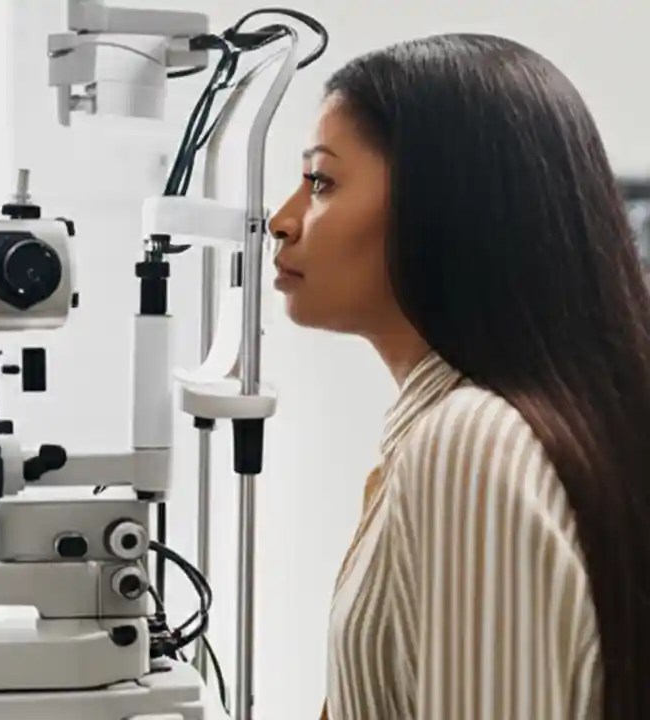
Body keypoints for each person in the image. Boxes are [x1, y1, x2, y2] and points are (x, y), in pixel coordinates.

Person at [267, 34, 650, 719]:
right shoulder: (476, 434)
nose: (282, 220)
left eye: (321, 182)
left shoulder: (468, 442)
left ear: (441, 204)